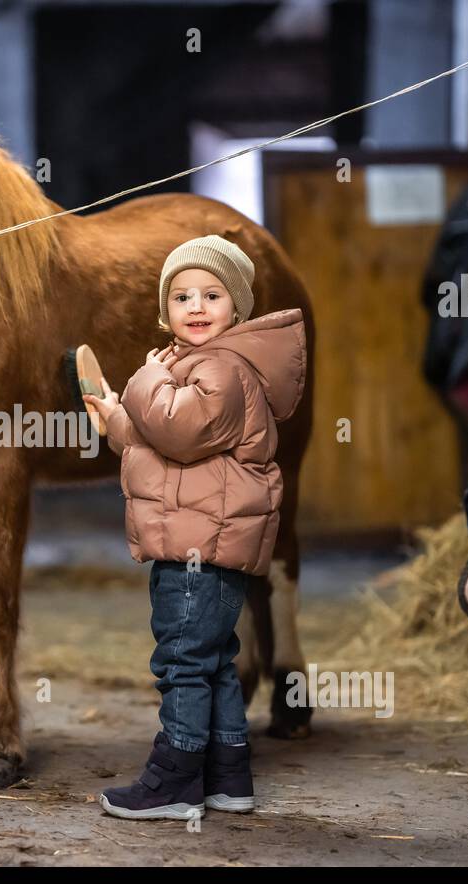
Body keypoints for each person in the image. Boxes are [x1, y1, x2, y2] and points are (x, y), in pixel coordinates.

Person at [83, 235, 306, 819]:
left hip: (198, 549)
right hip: (205, 540)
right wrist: (117, 421)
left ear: (239, 307)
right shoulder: (197, 367)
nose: (197, 306)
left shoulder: (223, 367)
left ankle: (174, 780)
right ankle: (229, 775)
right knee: (213, 660)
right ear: (165, 311)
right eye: (181, 296)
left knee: (182, 660)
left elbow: (180, 431)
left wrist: (143, 383)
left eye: (213, 294)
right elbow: (168, 441)